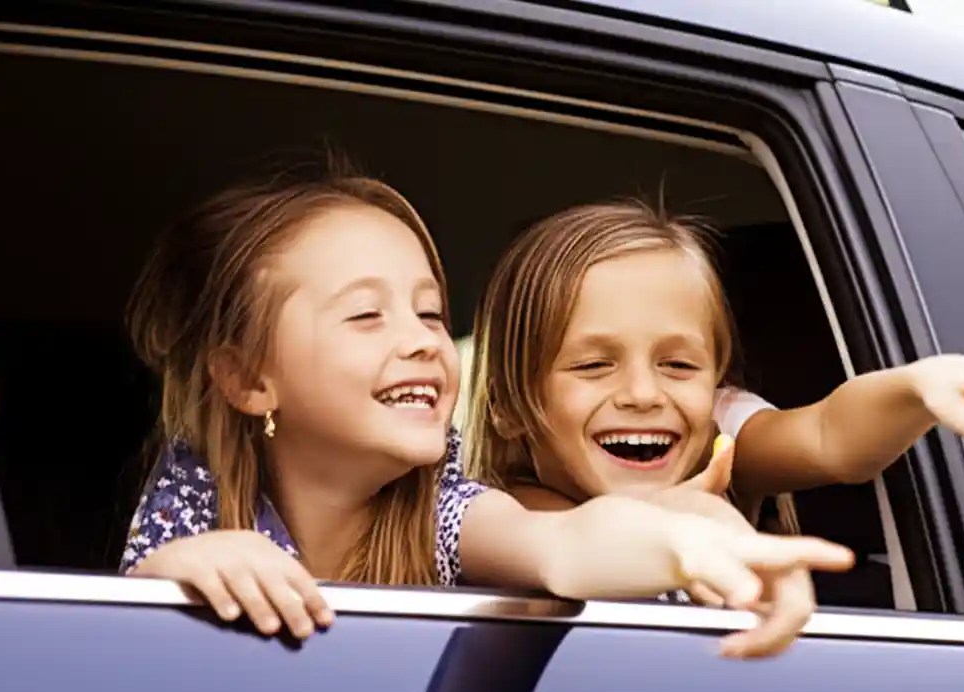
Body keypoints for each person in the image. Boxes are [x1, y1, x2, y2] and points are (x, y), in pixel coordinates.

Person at [119, 167, 854, 659]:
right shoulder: (201, 487)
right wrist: (178, 568)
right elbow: (125, 644)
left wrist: (692, 545)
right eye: (368, 315)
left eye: (433, 313)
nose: (422, 342)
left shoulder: (444, 504)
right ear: (248, 379)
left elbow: (563, 546)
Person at [463, 200, 964, 603]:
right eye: (593, 365)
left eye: (678, 365)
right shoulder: (498, 517)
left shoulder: (718, 435)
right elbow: (581, 544)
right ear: (510, 404)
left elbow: (830, 437)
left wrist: (923, 383)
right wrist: (693, 518)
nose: (644, 394)